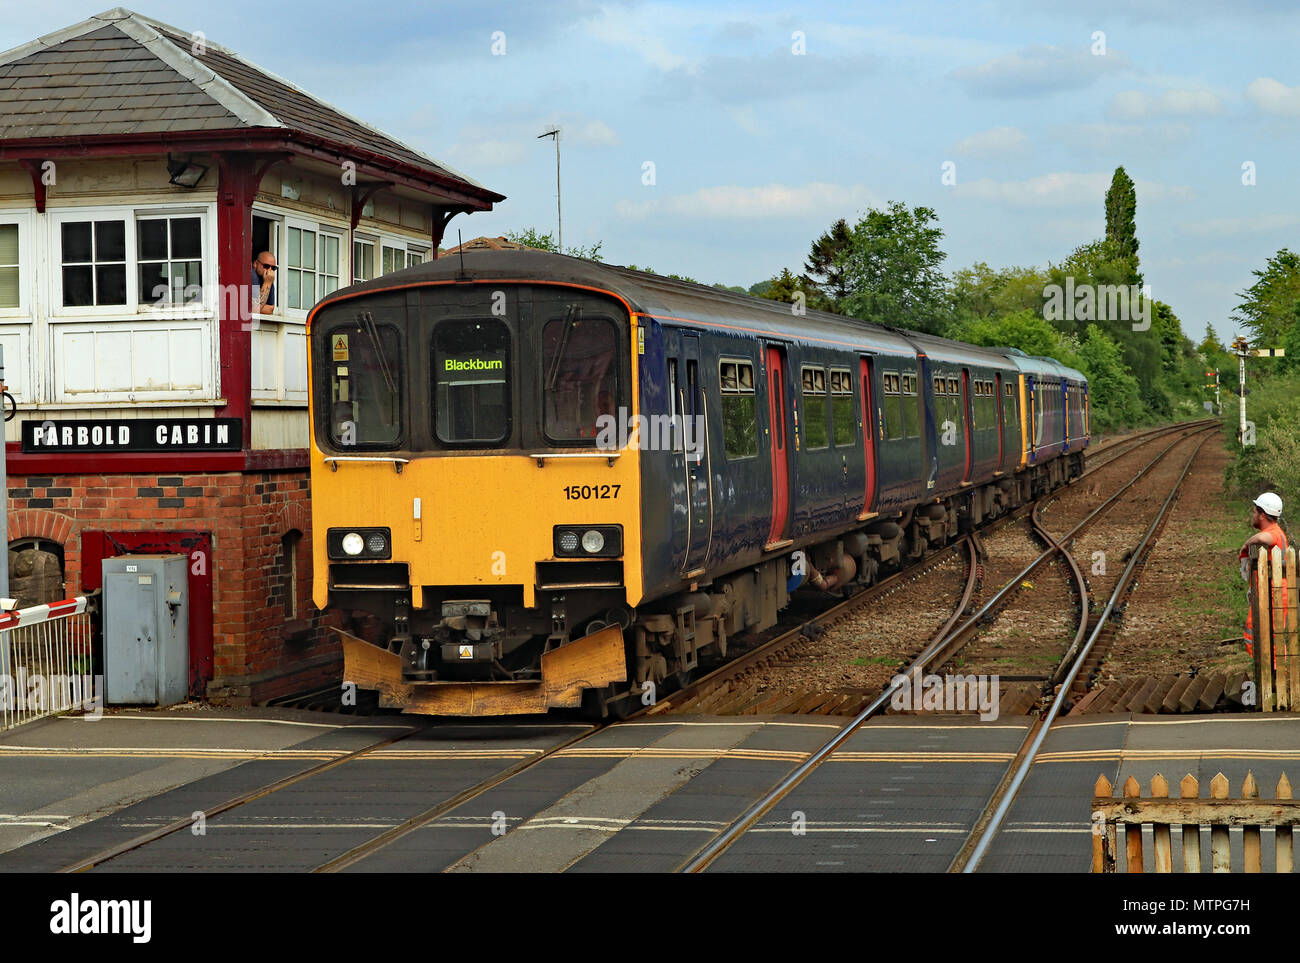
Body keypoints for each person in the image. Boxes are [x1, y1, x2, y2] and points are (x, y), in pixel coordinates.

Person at [1240, 491, 1287, 658]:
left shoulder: (1274, 532)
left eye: (1254, 512)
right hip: (1269, 594)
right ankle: (1267, 674)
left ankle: (1275, 678)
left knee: (1269, 641)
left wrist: (1247, 544)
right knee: (1263, 638)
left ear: (1262, 514)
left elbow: (1267, 537)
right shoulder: (1276, 531)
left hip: (1274, 594)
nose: (1252, 515)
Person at [252, 251, 277, 315]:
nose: (269, 270)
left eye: (273, 268)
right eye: (266, 266)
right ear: (255, 264)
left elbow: (270, 309)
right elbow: (254, 308)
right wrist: (267, 283)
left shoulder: (268, 278)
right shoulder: (251, 275)